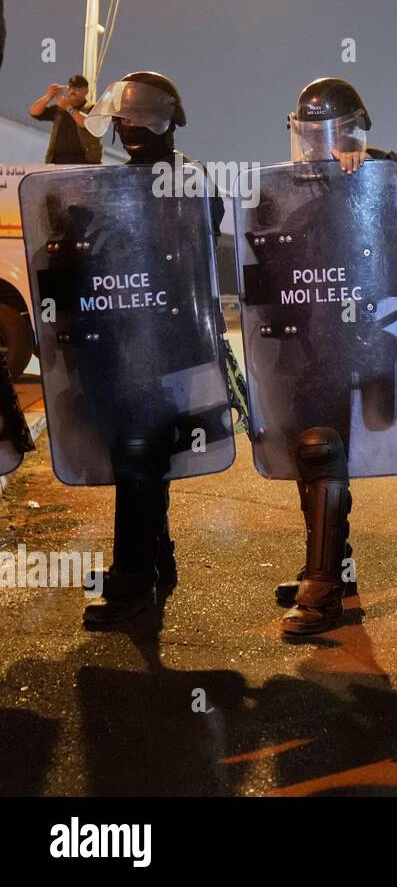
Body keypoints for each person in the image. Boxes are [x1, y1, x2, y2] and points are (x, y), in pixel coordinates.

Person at [76, 71, 219, 624]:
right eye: (124, 118)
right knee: (138, 459)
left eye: (142, 117)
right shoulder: (116, 185)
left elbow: (192, 241)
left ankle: (134, 586)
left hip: (168, 346)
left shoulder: (189, 179)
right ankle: (155, 562)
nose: (131, 127)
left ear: (169, 120)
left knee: (140, 455)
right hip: (125, 344)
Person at [269, 78, 397, 635]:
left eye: (330, 133)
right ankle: (330, 566)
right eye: (309, 133)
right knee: (312, 459)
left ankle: (324, 590)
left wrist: (370, 163)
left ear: (354, 130)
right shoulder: (292, 191)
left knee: (323, 453)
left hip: (359, 344)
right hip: (305, 350)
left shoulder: (377, 176)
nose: (317, 145)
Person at [28, 75, 101, 164]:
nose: (73, 91)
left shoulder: (92, 108)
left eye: (77, 88)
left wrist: (69, 108)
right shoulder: (60, 109)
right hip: (58, 161)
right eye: (71, 87)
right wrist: (48, 97)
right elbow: (34, 112)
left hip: (84, 162)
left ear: (86, 91)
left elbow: (87, 123)